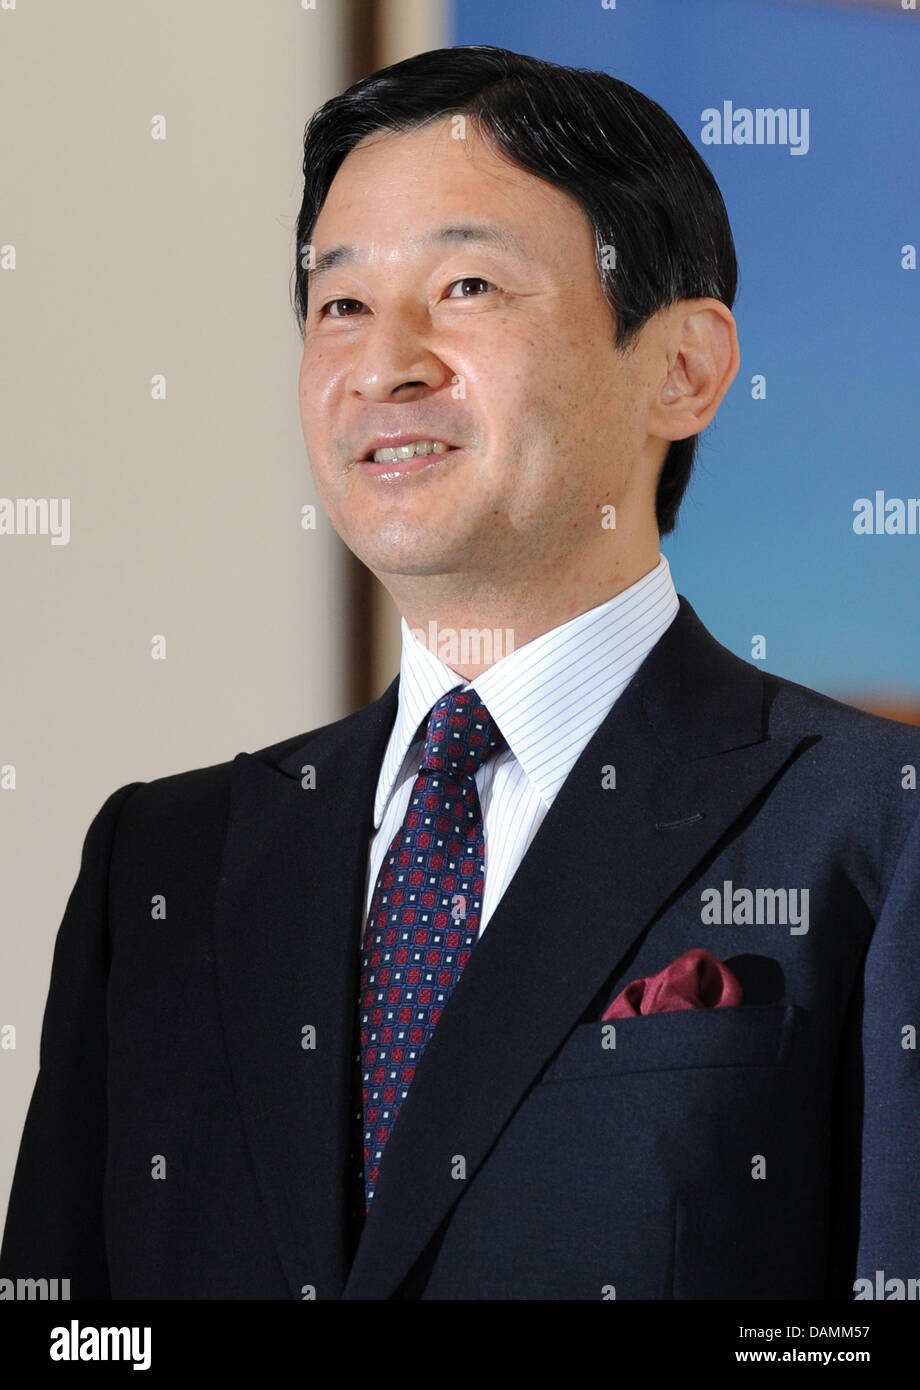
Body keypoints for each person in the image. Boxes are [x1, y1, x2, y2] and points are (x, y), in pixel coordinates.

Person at [2, 44, 918, 1301]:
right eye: (339, 305)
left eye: (469, 284)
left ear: (683, 368)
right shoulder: (160, 866)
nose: (384, 367)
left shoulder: (874, 824)